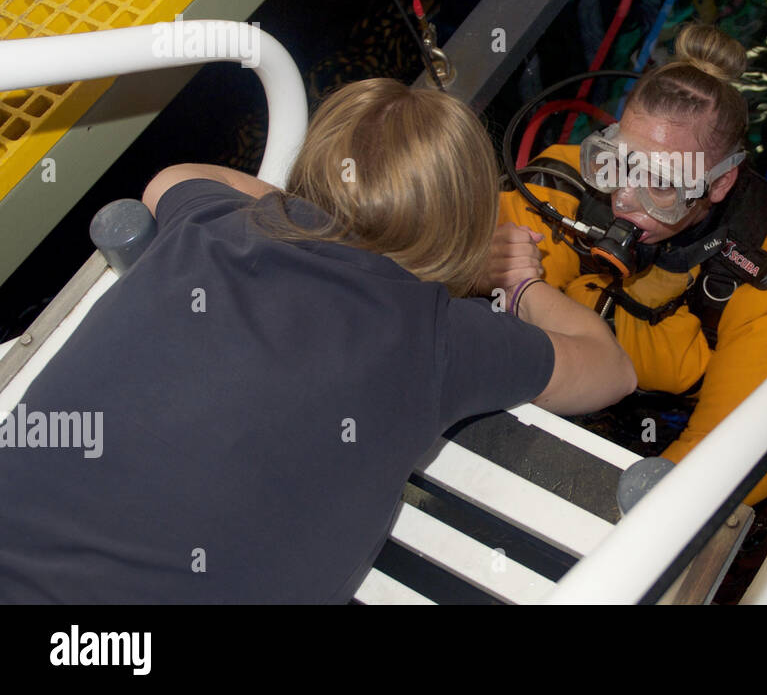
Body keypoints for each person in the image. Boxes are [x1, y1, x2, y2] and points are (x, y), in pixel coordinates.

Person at [0, 78, 635, 603]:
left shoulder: (209, 225)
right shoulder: (439, 339)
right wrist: (512, 284)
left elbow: (169, 177)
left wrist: (308, 216)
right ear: (463, 230)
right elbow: (613, 369)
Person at [489, 24, 767, 505]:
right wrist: (488, 270)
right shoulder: (563, 185)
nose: (622, 201)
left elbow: (733, 459)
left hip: (679, 423)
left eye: (659, 185)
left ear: (719, 185)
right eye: (617, 164)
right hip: (585, 379)